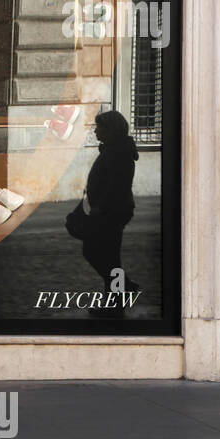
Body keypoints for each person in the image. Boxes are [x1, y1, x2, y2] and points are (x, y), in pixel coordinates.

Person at [81, 110, 141, 316]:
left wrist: (100, 206)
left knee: (98, 252)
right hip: (110, 209)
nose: (96, 130)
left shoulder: (118, 153)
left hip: (112, 210)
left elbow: (117, 185)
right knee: (107, 255)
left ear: (111, 130)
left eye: (100, 127)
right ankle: (118, 297)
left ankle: (116, 300)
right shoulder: (112, 150)